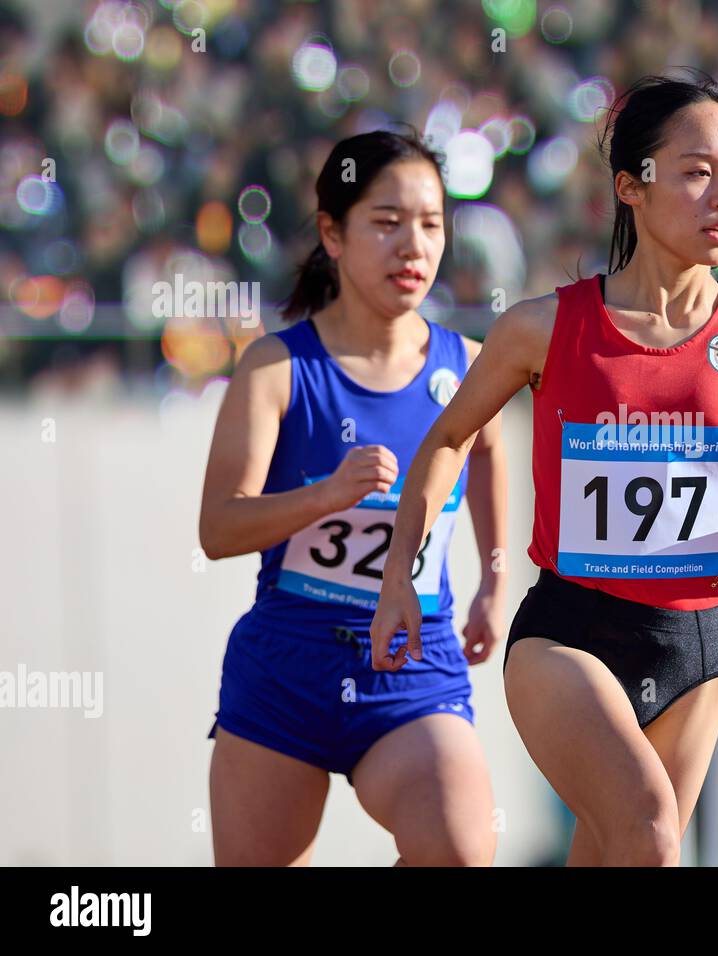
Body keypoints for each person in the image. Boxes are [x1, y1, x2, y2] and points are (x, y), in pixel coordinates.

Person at [370, 73, 718, 866]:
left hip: (696, 645)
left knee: (617, 851)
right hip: (570, 635)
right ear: (632, 186)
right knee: (652, 834)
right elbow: (446, 440)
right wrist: (401, 576)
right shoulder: (540, 329)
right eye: (696, 172)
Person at [199, 128, 505, 866]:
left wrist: (493, 578)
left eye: (431, 225)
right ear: (333, 234)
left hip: (413, 667)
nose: (414, 246)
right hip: (286, 671)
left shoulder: (467, 366)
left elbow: (489, 450)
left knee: (462, 853)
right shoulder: (276, 367)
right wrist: (327, 496)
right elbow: (218, 529)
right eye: (387, 222)